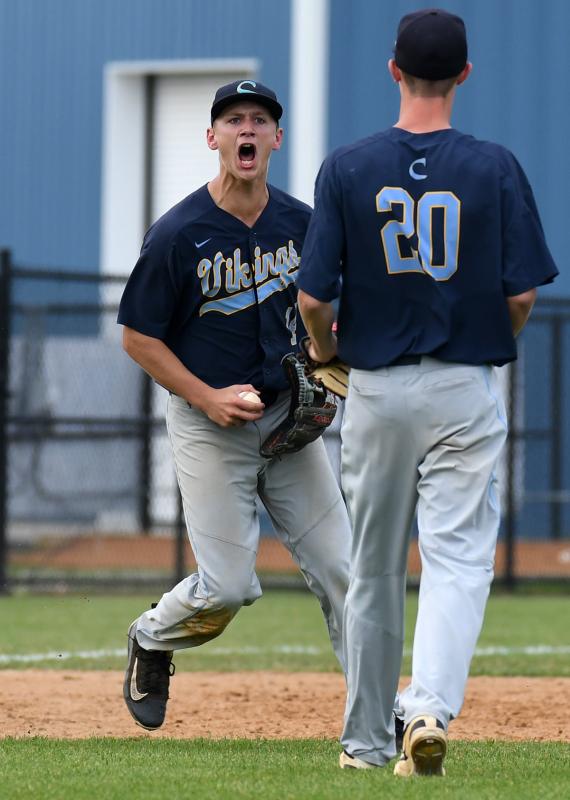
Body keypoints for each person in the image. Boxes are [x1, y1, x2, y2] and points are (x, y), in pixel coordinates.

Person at [297, 8, 558, 777]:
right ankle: (430, 710)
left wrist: (325, 356)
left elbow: (314, 298)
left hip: (375, 385)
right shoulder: (494, 166)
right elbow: (521, 294)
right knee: (457, 561)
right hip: (462, 385)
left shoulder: (347, 166)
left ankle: (366, 743)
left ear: (393, 70)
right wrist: (490, 343)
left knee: (373, 566)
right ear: (465, 76)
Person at [117, 79, 351, 731]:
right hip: (208, 424)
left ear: (276, 138)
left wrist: (327, 369)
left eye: (258, 120)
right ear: (213, 139)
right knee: (225, 588)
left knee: (345, 573)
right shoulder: (178, 233)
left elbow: (325, 318)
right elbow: (138, 335)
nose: (245, 129)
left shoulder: (303, 225)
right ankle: (153, 638)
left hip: (287, 424)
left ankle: (376, 713)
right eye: (232, 120)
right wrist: (205, 396)